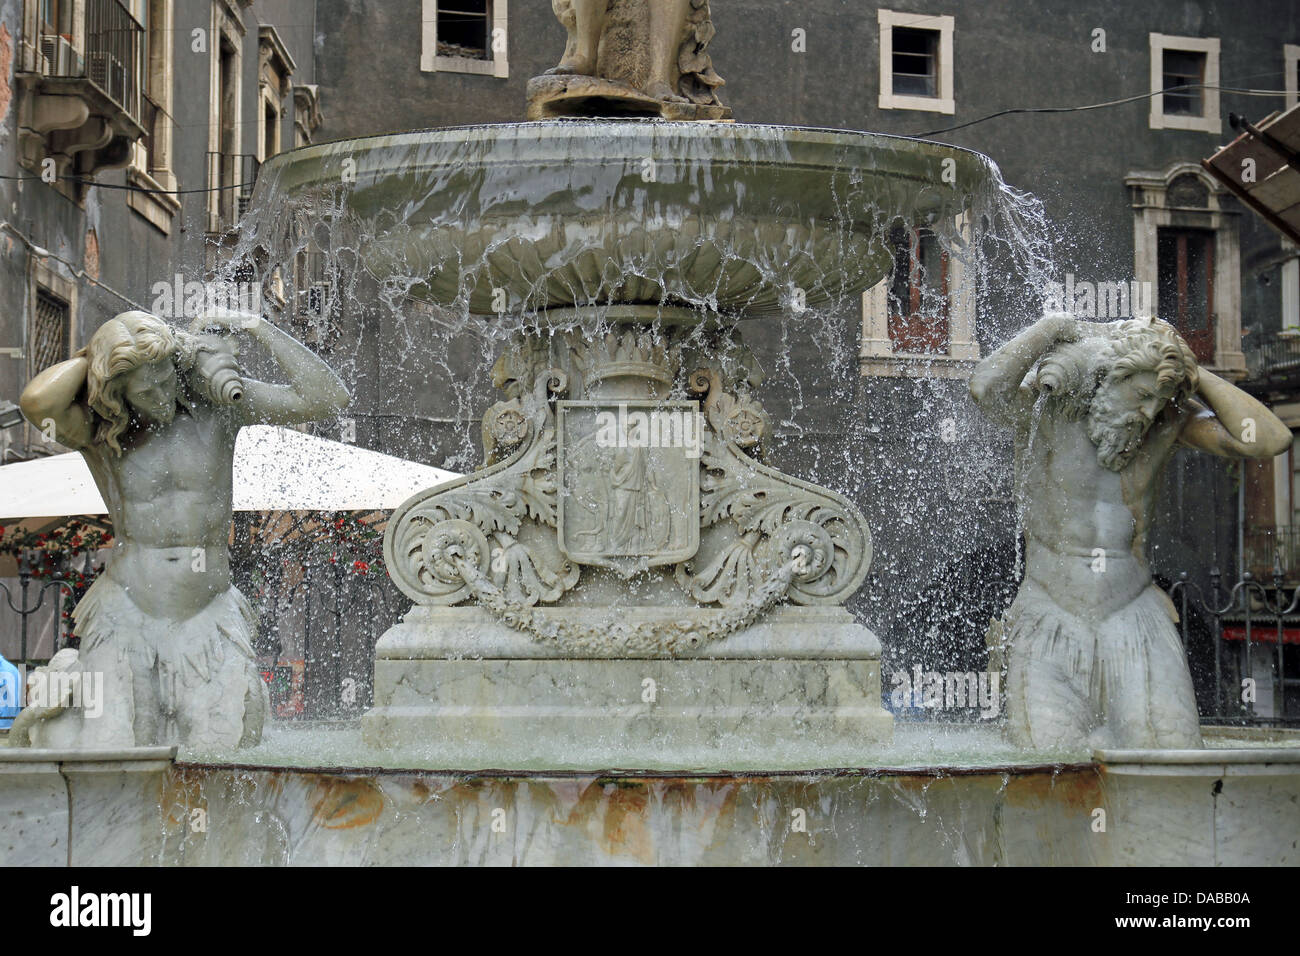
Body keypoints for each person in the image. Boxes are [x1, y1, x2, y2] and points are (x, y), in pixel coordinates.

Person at [17, 309, 350, 749]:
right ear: (117, 391)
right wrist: (97, 355)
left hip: (207, 613)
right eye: (143, 387)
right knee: (115, 745)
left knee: (227, 744)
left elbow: (326, 397)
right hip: (126, 615)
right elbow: (37, 403)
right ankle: (70, 688)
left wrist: (256, 327)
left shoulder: (219, 410)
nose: (159, 393)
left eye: (164, 377)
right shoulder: (99, 433)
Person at [970, 313, 1291, 750]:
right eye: (1141, 394)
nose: (1147, 411)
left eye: (1159, 399)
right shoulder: (1047, 408)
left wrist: (1193, 376)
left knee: (1172, 757)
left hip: (1134, 615)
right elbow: (984, 387)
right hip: (1050, 614)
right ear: (1107, 376)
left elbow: (1268, 440)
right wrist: (1051, 326)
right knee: (1052, 767)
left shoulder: (1166, 421)